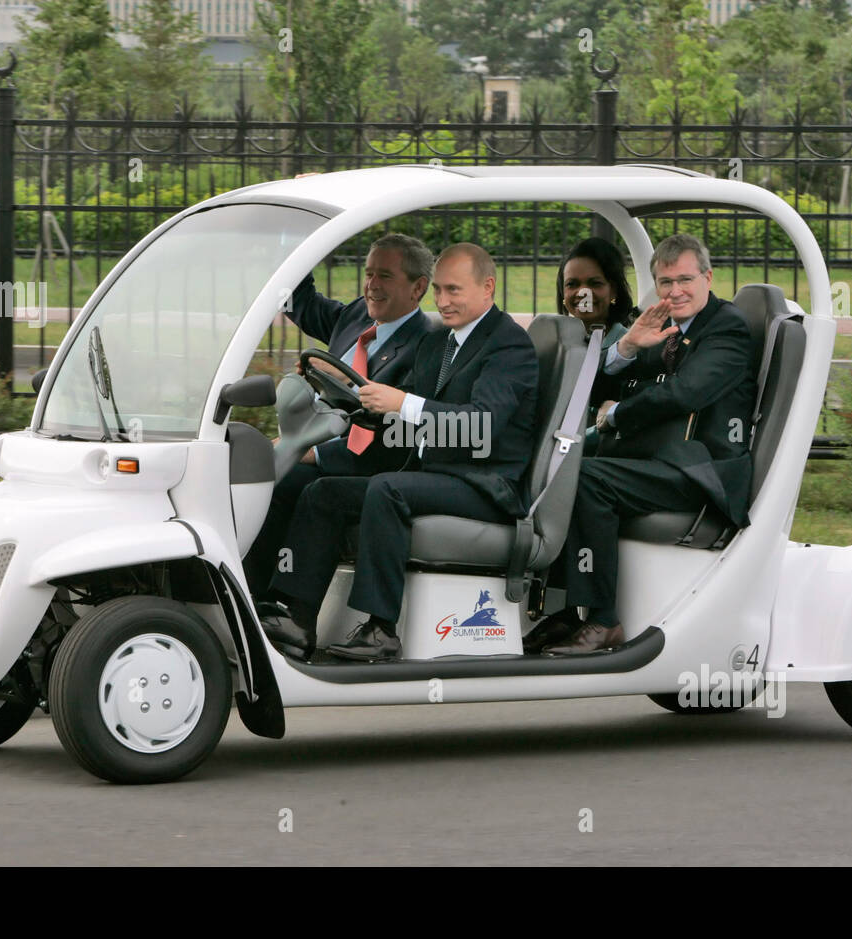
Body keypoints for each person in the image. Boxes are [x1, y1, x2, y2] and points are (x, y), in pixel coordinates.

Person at [260, 243, 539, 662]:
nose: (443, 302)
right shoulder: (440, 343)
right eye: (440, 291)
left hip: (485, 483)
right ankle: (294, 617)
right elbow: (403, 429)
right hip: (438, 472)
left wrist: (401, 403)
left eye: (454, 291)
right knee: (325, 493)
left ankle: (381, 628)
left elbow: (482, 426)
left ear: (488, 287)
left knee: (388, 489)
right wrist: (359, 406)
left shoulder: (508, 346)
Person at [525, 233, 758, 655]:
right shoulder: (662, 322)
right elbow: (596, 382)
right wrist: (628, 346)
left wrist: (616, 414)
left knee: (587, 480)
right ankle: (564, 609)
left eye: (685, 280)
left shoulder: (727, 328)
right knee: (556, 468)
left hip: (700, 470)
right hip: (652, 457)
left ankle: (602, 620)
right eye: (666, 282)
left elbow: (685, 393)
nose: (676, 291)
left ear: (707, 277)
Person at [242, 234, 436, 618]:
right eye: (368, 273)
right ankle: (231, 596)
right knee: (239, 465)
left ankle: (276, 609)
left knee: (282, 484)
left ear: (418, 288)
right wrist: (291, 239)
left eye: (385, 275)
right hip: (302, 437)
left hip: (361, 461)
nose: (372, 285)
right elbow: (297, 300)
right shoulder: (357, 316)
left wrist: (309, 451)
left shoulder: (427, 346)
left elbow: (399, 438)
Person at [554, 236, 637, 454]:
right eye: (572, 284)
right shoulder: (553, 345)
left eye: (594, 283)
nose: (583, 292)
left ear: (614, 291)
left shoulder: (631, 349)